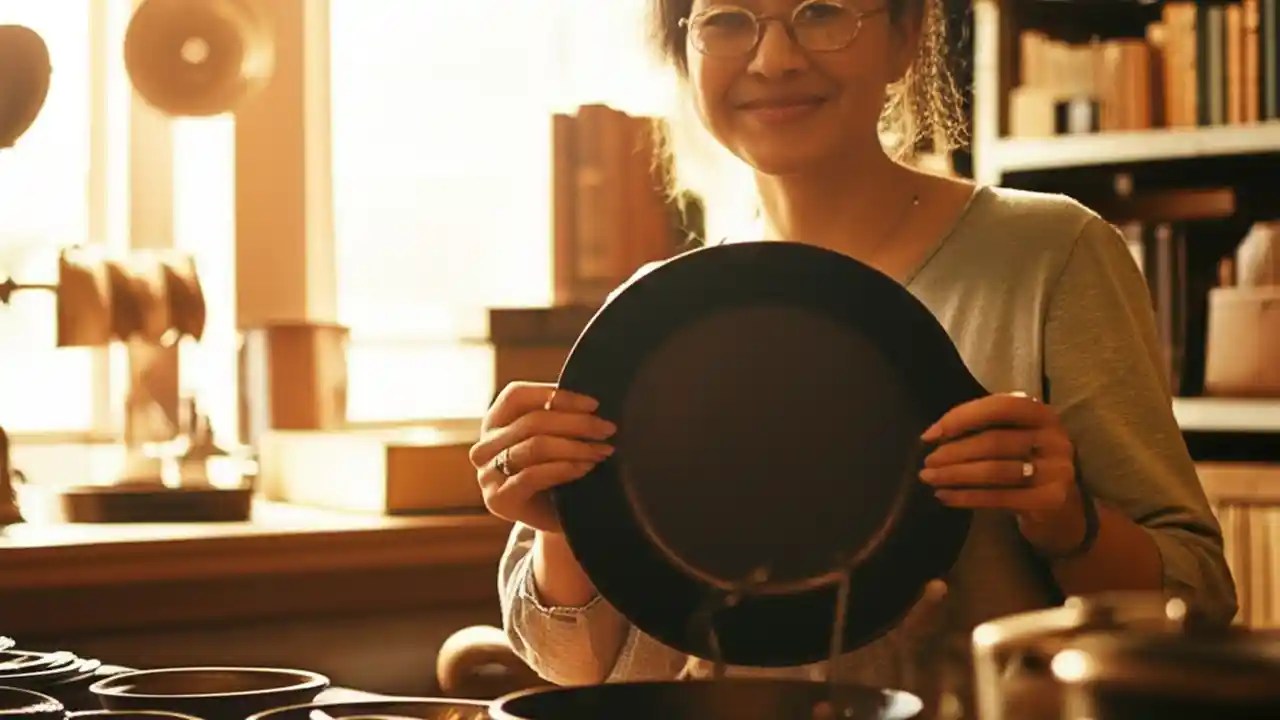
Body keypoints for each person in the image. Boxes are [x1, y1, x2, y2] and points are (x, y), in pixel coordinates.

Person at [469, 0, 1238, 694]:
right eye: (728, 20)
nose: (773, 59)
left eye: (821, 11)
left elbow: (1196, 596)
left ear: (906, 35)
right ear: (686, 48)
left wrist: (1070, 521)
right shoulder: (655, 314)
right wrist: (560, 516)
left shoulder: (1049, 253)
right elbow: (570, 666)